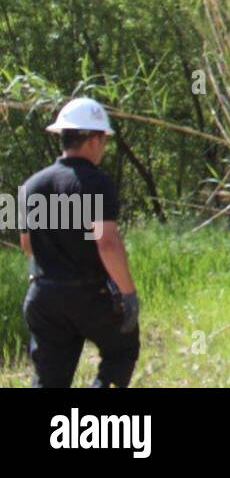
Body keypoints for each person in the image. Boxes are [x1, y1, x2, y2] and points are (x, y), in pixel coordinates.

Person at [18, 97, 140, 387]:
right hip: (90, 296)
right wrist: (128, 294)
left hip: (43, 297)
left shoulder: (32, 185)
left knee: (50, 379)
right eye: (104, 140)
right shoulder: (96, 183)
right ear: (94, 140)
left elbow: (27, 244)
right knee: (122, 351)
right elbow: (107, 242)